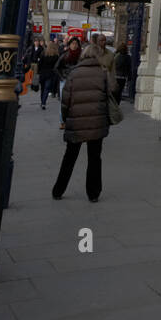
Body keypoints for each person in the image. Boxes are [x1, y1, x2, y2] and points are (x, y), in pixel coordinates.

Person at [52, 43, 113, 203]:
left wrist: (65, 119)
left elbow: (65, 101)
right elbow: (109, 94)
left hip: (76, 121)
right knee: (94, 158)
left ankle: (58, 189)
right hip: (96, 121)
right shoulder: (102, 73)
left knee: (69, 157)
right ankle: (93, 193)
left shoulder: (74, 73)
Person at [54, 37, 82, 126]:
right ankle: (62, 121)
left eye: (76, 44)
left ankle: (73, 120)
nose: (74, 45)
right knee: (64, 101)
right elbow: (56, 68)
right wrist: (62, 78)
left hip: (77, 81)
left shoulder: (81, 56)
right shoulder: (64, 55)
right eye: (72, 43)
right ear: (69, 45)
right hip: (65, 80)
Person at [37, 41, 59, 110]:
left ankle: (42, 102)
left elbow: (39, 64)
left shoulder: (43, 53)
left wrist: (39, 71)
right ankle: (43, 103)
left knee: (43, 88)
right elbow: (56, 66)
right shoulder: (56, 55)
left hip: (43, 73)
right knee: (47, 88)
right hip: (50, 73)